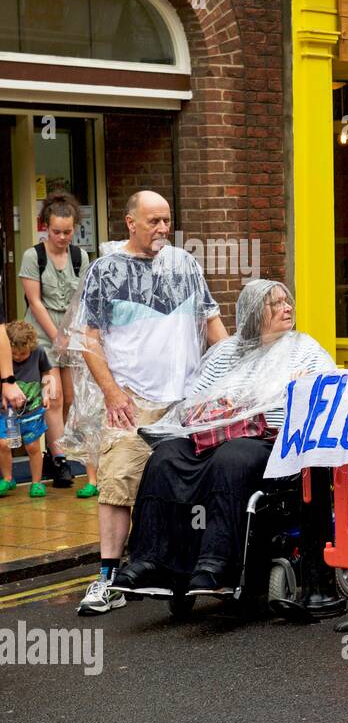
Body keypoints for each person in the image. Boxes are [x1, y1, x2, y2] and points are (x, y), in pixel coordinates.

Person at [109, 280, 334, 605]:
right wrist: (216, 407)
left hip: (268, 440)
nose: (287, 309)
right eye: (277, 304)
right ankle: (150, 560)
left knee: (231, 458)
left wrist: (302, 390)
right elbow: (193, 399)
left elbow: (325, 392)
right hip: (213, 436)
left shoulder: (304, 350)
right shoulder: (225, 353)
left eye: (288, 302)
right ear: (254, 313)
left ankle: (216, 565)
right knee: (166, 456)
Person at [66, 190, 228, 616]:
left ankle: (185, 568)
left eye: (166, 220)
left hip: (188, 400)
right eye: (153, 221)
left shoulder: (184, 263)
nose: (162, 228)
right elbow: (88, 338)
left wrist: (233, 372)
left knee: (188, 487)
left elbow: (209, 319)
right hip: (132, 402)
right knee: (117, 482)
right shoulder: (107, 271)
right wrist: (112, 393)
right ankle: (107, 580)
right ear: (130, 222)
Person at [19, 192, 89, 492]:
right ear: (45, 227)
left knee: (71, 398)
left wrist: (72, 334)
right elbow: (35, 301)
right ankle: (60, 459)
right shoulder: (33, 256)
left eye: (67, 231)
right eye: (56, 231)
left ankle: (57, 450)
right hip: (42, 336)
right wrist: (56, 336)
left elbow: (82, 300)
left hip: (71, 333)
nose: (62, 237)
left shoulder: (80, 257)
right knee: (54, 397)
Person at [0, 322, 59, 498]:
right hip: (8, 411)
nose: (18, 357)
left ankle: (36, 482)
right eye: (14, 354)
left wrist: (46, 394)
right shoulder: (3, 355)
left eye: (23, 353)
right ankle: (8, 478)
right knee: (3, 443)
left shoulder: (39, 352)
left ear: (31, 346)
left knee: (32, 446)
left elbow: (47, 375)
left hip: (32, 410)